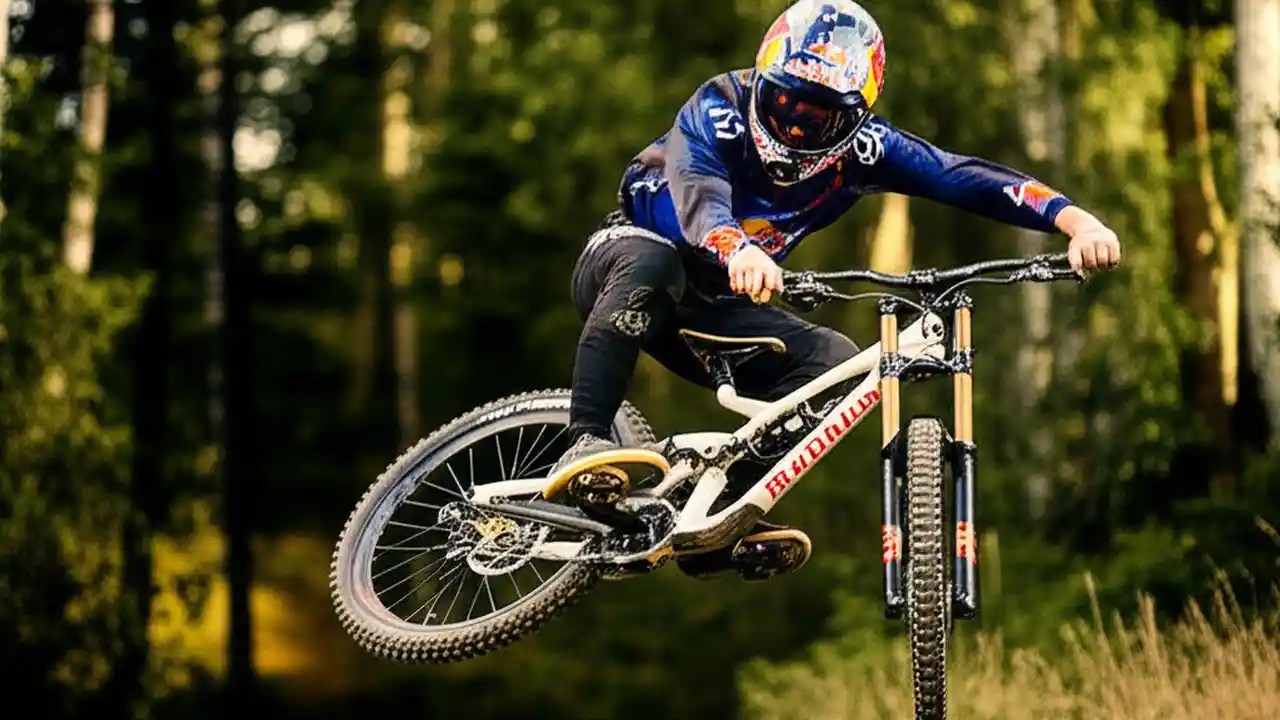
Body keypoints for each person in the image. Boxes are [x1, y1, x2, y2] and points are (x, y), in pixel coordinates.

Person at [548, 0, 1121, 579]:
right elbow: (697, 189)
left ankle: (717, 520)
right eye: (785, 103)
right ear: (762, 79)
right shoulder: (718, 105)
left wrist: (1074, 221)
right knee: (656, 264)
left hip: (716, 308)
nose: (796, 127)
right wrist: (736, 247)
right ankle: (586, 438)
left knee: (837, 371)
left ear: (853, 119)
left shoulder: (864, 152)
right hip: (625, 259)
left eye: (819, 118)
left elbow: (962, 177)